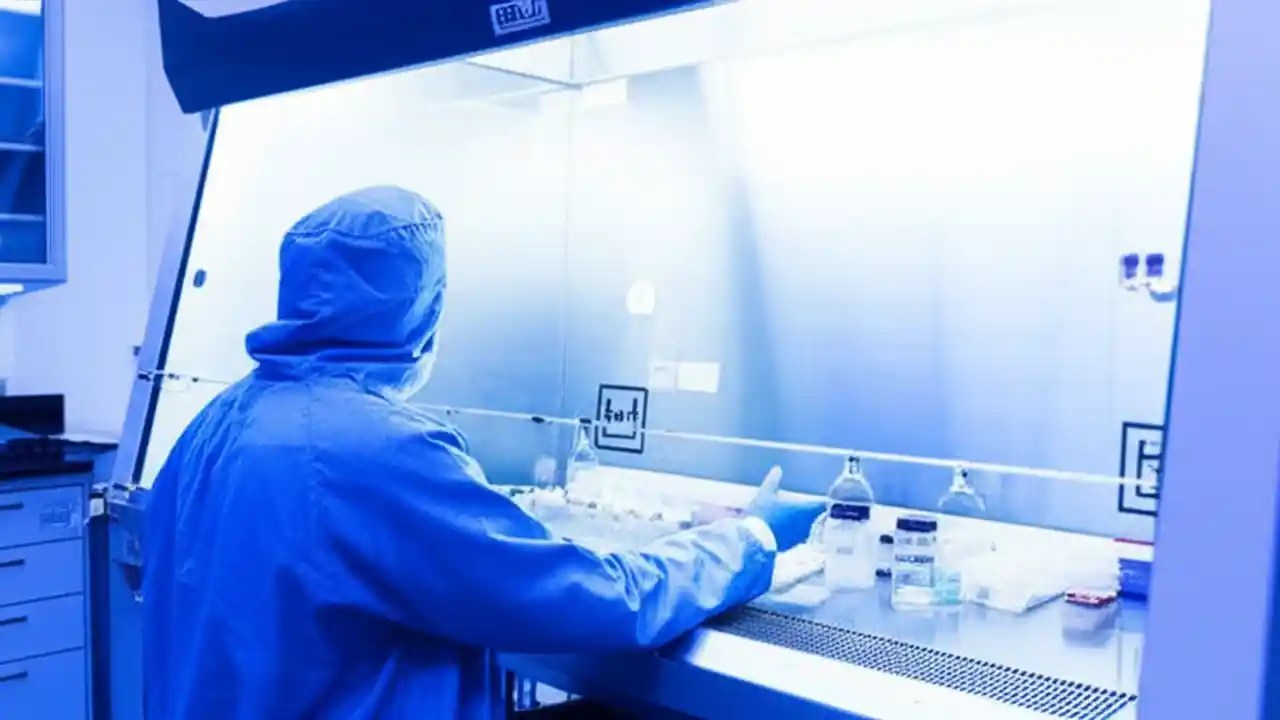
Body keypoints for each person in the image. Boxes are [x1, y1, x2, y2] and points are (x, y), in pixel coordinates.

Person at [142, 186, 825, 720]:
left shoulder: (213, 423)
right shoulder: (377, 450)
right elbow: (600, 601)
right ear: (425, 305)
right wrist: (750, 538)